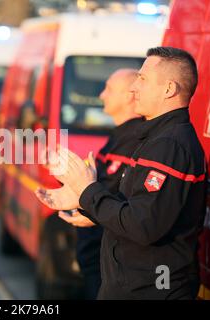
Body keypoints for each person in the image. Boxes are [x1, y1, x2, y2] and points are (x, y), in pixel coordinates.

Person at [35, 47, 206, 299]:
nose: (134, 87)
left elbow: (143, 225)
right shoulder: (156, 138)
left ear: (169, 89)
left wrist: (88, 191)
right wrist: (88, 205)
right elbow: (136, 209)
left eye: (143, 79)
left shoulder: (169, 145)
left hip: (152, 289)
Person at [76, 68, 142, 299]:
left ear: (129, 96)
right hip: (97, 253)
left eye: (109, 89)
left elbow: (111, 194)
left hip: (105, 254)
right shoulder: (119, 136)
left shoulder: (133, 140)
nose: (102, 95)